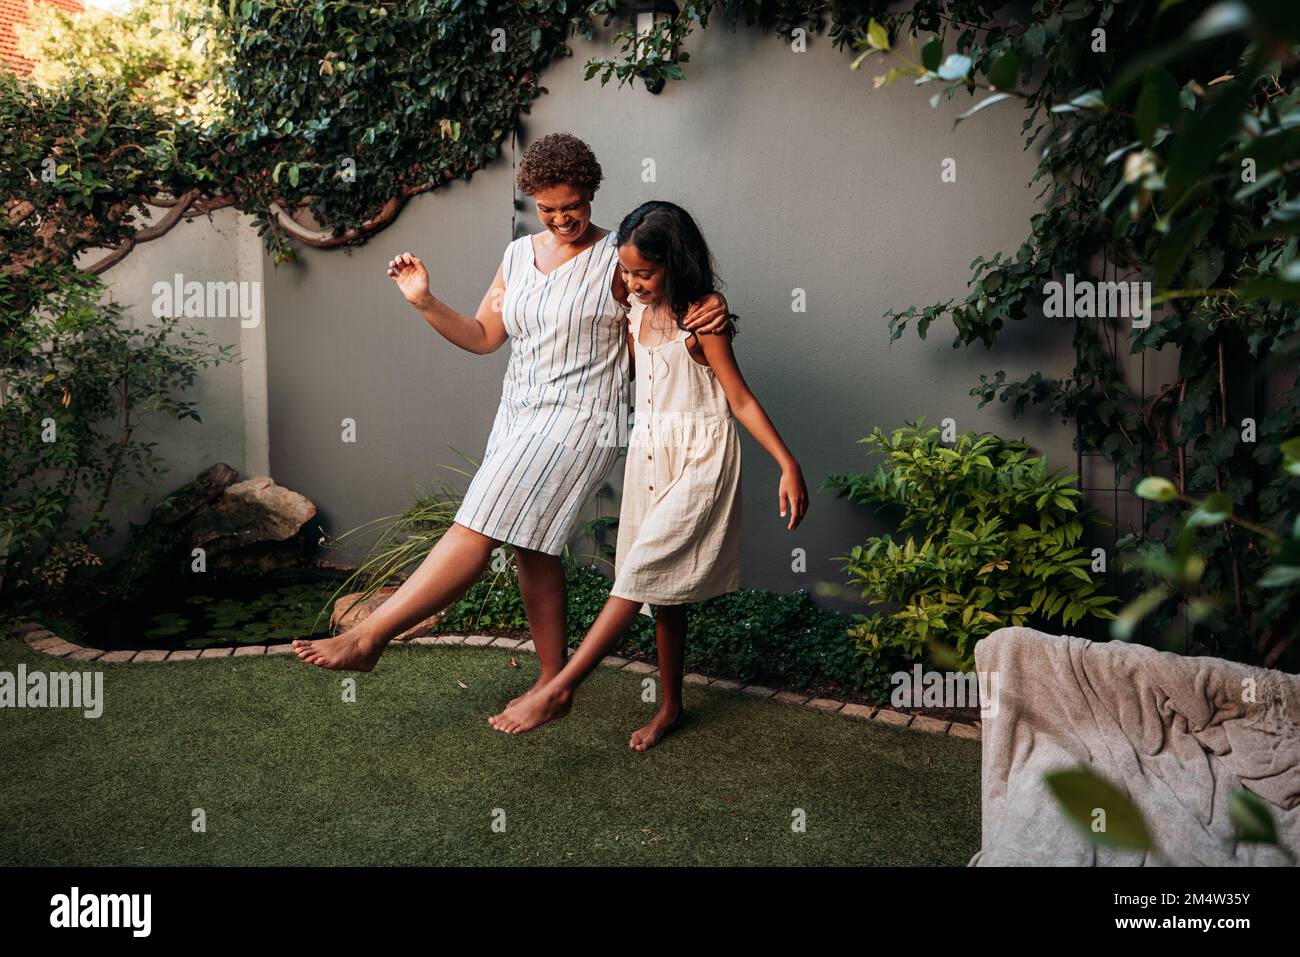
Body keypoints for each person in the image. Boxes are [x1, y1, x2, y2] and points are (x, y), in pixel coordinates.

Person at [292, 134, 731, 687]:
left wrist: (710, 302)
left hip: (584, 420)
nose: (561, 219)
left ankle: (369, 636)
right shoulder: (518, 255)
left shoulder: (617, 257)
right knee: (530, 546)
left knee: (476, 524)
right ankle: (552, 678)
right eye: (548, 210)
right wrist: (424, 299)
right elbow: (482, 337)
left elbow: (669, 296)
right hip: (518, 416)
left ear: (591, 194)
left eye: (572, 206)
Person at [487, 200, 808, 750]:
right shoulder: (632, 307)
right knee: (663, 595)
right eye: (627, 271)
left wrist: (787, 463)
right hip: (649, 456)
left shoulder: (702, 318)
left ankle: (563, 687)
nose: (633, 283)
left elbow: (740, 399)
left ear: (675, 263)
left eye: (645, 273)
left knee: (635, 576)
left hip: (699, 459)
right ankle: (671, 707)